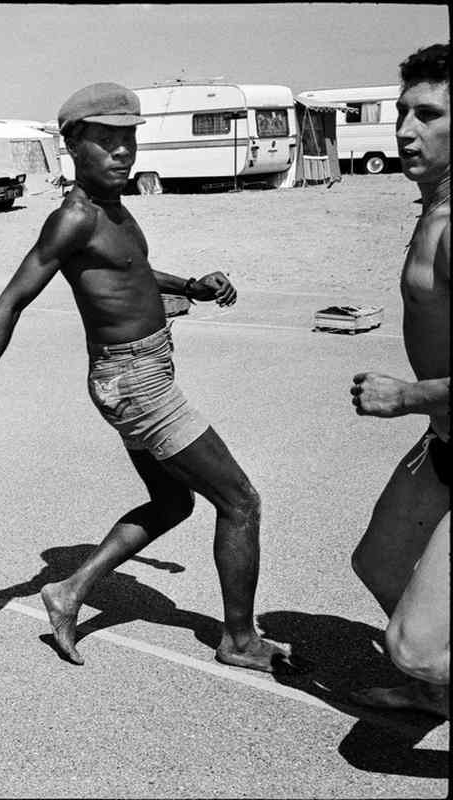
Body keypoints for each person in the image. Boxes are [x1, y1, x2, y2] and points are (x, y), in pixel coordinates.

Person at [0, 82, 307, 674]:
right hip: (135, 381)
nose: (122, 152)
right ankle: (240, 640)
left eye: (129, 140)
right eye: (105, 141)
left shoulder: (114, 206)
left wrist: (190, 286)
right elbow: (8, 304)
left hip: (143, 370)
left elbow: (133, 271)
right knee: (240, 501)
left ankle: (68, 592)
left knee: (172, 502)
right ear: (72, 147)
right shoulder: (73, 218)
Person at [349, 42, 449, 718]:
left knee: (414, 647)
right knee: (380, 565)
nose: (405, 131)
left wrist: (407, 396)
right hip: (445, 441)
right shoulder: (432, 212)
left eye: (429, 115)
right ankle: (437, 695)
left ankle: (428, 666)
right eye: (401, 113)